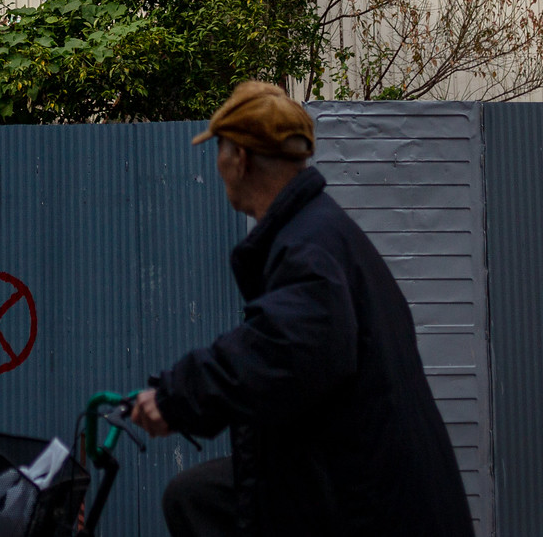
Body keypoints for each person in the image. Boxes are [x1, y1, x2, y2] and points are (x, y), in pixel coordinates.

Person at [130, 81, 472, 537]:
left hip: (370, 506)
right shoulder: (320, 231)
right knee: (198, 497)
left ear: (241, 158)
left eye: (220, 151)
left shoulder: (309, 248)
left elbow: (284, 348)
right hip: (362, 482)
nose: (218, 166)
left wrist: (177, 396)